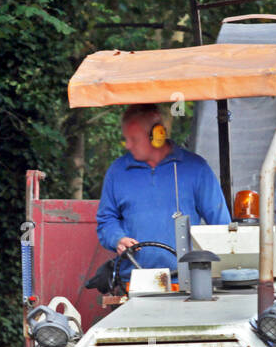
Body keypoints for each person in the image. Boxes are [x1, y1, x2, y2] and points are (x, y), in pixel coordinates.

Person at [95, 103, 231, 285]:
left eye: (134, 139)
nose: (127, 145)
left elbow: (222, 227)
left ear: (157, 136)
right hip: (133, 283)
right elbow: (106, 220)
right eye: (126, 138)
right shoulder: (117, 171)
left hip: (187, 284)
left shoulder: (196, 169)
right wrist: (117, 238)